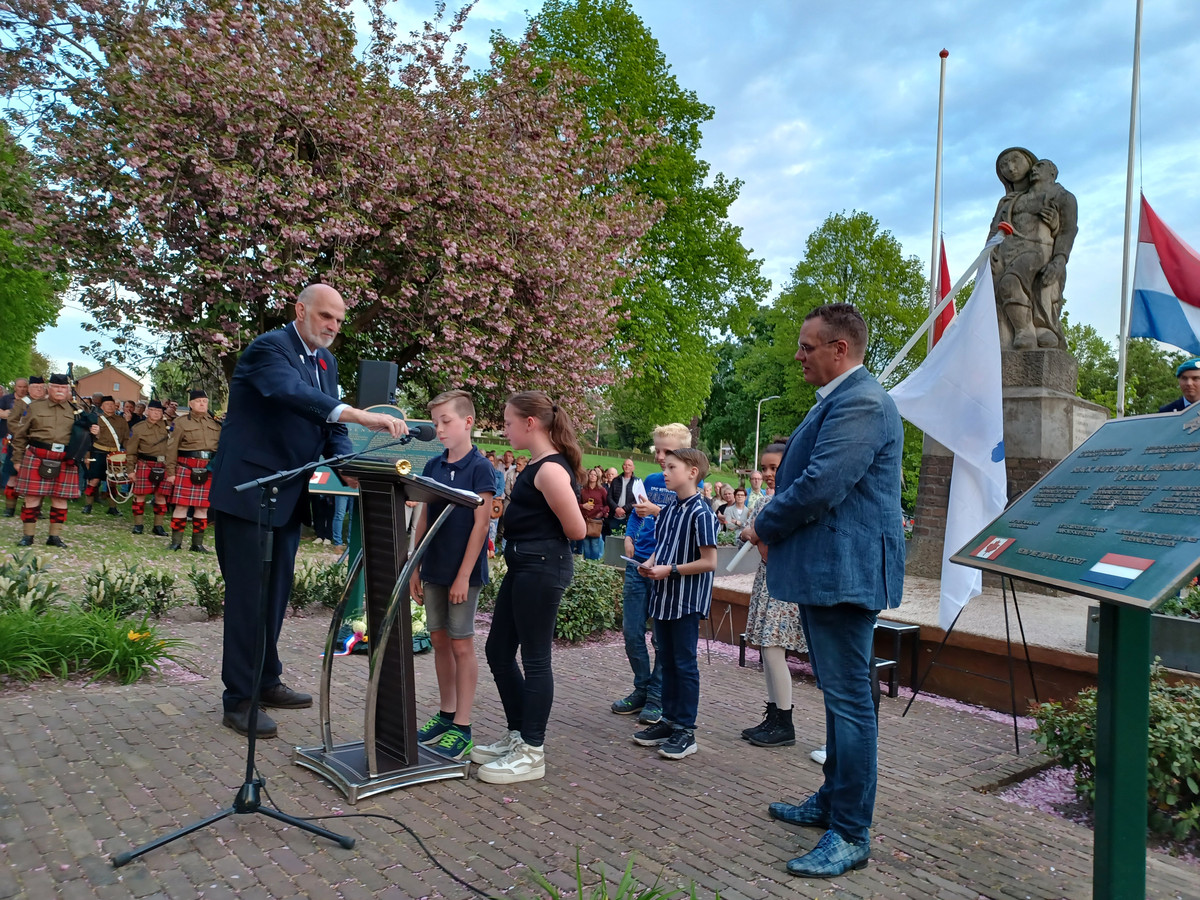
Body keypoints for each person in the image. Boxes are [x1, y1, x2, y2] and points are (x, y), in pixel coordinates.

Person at [745, 303, 904, 878]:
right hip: (831, 571)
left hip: (845, 574)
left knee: (850, 705)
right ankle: (835, 803)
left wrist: (763, 523)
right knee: (842, 700)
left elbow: (820, 485)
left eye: (807, 346)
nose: (798, 355)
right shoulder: (846, 400)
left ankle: (850, 833)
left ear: (841, 349)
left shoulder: (860, 402)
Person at [208, 283, 407, 738]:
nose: (333, 327)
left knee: (275, 594)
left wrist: (348, 465)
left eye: (338, 320)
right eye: (325, 317)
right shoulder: (269, 350)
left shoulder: (325, 362)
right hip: (249, 495)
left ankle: (267, 679)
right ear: (300, 310)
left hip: (288, 497)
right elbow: (292, 395)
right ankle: (239, 699)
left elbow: (325, 423)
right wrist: (357, 415)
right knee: (248, 598)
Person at [472, 391, 585, 784]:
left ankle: (532, 750)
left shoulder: (550, 470)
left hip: (541, 567)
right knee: (498, 650)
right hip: (525, 564)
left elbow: (577, 529)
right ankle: (520, 734)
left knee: (535, 659)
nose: (504, 430)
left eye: (507, 423)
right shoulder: (537, 464)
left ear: (530, 423)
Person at [409, 390, 495, 762]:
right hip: (434, 567)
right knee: (439, 639)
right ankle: (445, 715)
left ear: (468, 422)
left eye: (446, 421)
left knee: (461, 643)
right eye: (436, 423)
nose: (439, 429)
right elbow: (424, 518)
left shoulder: (481, 468)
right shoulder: (432, 467)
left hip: (464, 572)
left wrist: (463, 575)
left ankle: (463, 725)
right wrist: (414, 564)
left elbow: (481, 525)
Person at [629, 447, 717, 761]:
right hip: (664, 598)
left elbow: (709, 561)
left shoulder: (701, 512)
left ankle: (685, 729)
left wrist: (672, 570)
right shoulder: (667, 510)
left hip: (686, 601)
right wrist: (648, 564)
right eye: (665, 467)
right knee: (666, 659)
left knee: (683, 664)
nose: (664, 473)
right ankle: (668, 721)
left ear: (692, 472)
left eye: (671, 467)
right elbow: (661, 549)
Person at [612, 423, 692, 725]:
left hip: (665, 571)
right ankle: (642, 689)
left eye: (668, 451)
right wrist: (631, 536)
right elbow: (636, 512)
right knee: (632, 633)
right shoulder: (653, 480)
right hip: (638, 565)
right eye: (657, 450)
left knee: (661, 639)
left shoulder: (686, 485)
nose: (660, 456)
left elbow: (686, 521)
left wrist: (657, 511)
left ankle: (657, 696)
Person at [738, 442, 808, 749]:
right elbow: (749, 534)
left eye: (774, 468)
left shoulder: (793, 504)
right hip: (767, 581)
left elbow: (772, 551)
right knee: (767, 651)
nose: (768, 474)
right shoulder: (765, 502)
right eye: (764, 468)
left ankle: (784, 720)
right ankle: (773, 713)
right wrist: (752, 533)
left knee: (773, 649)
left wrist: (758, 535)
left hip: (783, 583)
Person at [10, 374, 98, 548]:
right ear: (48, 388)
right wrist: (17, 459)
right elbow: (20, 436)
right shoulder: (34, 407)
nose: (60, 390)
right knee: (32, 498)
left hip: (65, 459)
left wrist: (96, 431)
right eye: (56, 387)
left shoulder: (77, 411)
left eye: (63, 388)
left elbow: (87, 436)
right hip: (36, 455)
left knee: (60, 499)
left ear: (68, 390)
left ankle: (54, 537)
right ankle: (28, 536)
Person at [165, 390, 222, 552]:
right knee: (181, 506)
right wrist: (170, 472)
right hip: (186, 466)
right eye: (199, 401)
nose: (203, 404)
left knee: (203, 508)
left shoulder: (216, 424)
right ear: (190, 404)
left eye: (205, 401)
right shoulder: (181, 422)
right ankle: (176, 542)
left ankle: (197, 544)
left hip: (208, 467)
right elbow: (171, 448)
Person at [125, 399, 172, 536]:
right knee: (140, 495)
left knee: (161, 496)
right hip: (145, 463)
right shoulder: (138, 428)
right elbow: (131, 451)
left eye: (159, 411)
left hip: (164, 464)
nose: (156, 413)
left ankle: (158, 526)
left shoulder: (169, 426)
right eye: (153, 410)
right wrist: (130, 470)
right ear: (147, 411)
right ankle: (138, 525)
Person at [81, 395, 129, 516]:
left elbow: (126, 439)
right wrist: (87, 456)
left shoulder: (121, 421)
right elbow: (88, 438)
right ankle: (88, 505)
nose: (110, 406)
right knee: (94, 480)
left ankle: (113, 507)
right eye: (107, 404)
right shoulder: (96, 419)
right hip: (98, 452)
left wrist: (128, 453)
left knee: (113, 481)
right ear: (102, 406)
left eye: (112, 404)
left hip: (115, 454)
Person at [577, 466, 609, 560]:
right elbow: (576, 503)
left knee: (595, 543)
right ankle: (587, 563)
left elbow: (607, 505)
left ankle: (594, 564)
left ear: (598, 477)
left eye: (595, 475)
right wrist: (583, 506)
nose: (592, 476)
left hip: (596, 520)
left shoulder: (601, 490)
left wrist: (601, 513)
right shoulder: (583, 490)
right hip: (585, 519)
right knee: (585, 543)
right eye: (591, 474)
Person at [606, 457, 640, 535]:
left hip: (629, 517)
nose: (627, 466)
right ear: (622, 466)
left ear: (633, 468)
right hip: (614, 516)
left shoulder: (637, 482)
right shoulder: (615, 480)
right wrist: (616, 508)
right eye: (625, 465)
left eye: (629, 465)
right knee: (613, 540)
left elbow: (637, 500)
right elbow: (609, 497)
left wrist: (624, 509)